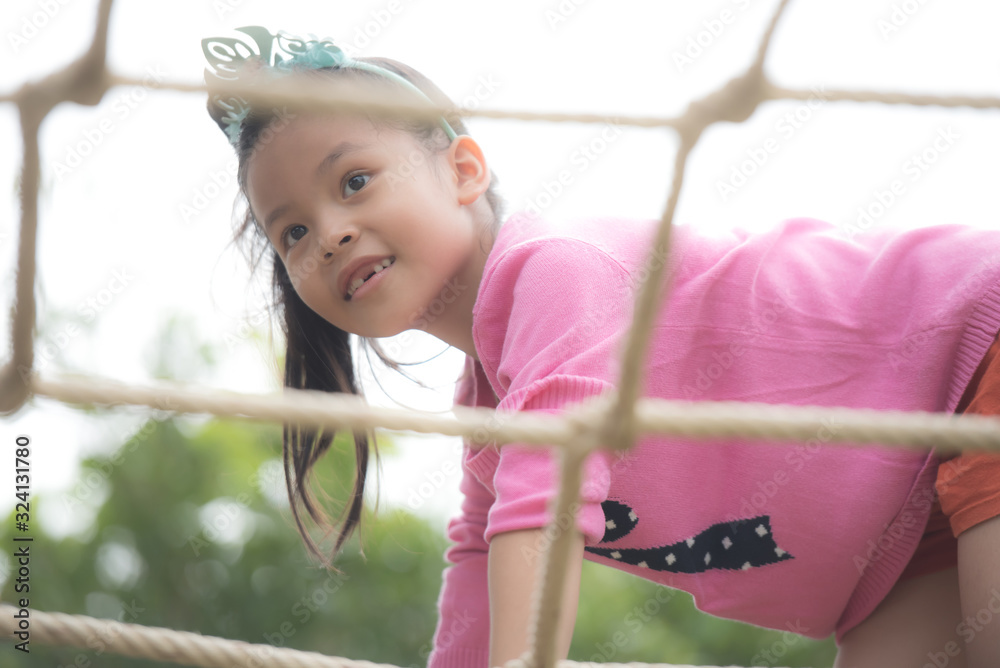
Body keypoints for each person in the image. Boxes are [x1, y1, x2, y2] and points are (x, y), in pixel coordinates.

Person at [202, 26, 1000, 668]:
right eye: (293, 231)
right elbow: (479, 576)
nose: (330, 233)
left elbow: (543, 501)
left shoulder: (557, 270)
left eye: (353, 182)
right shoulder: (490, 416)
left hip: (977, 358)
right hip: (897, 555)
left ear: (463, 169)